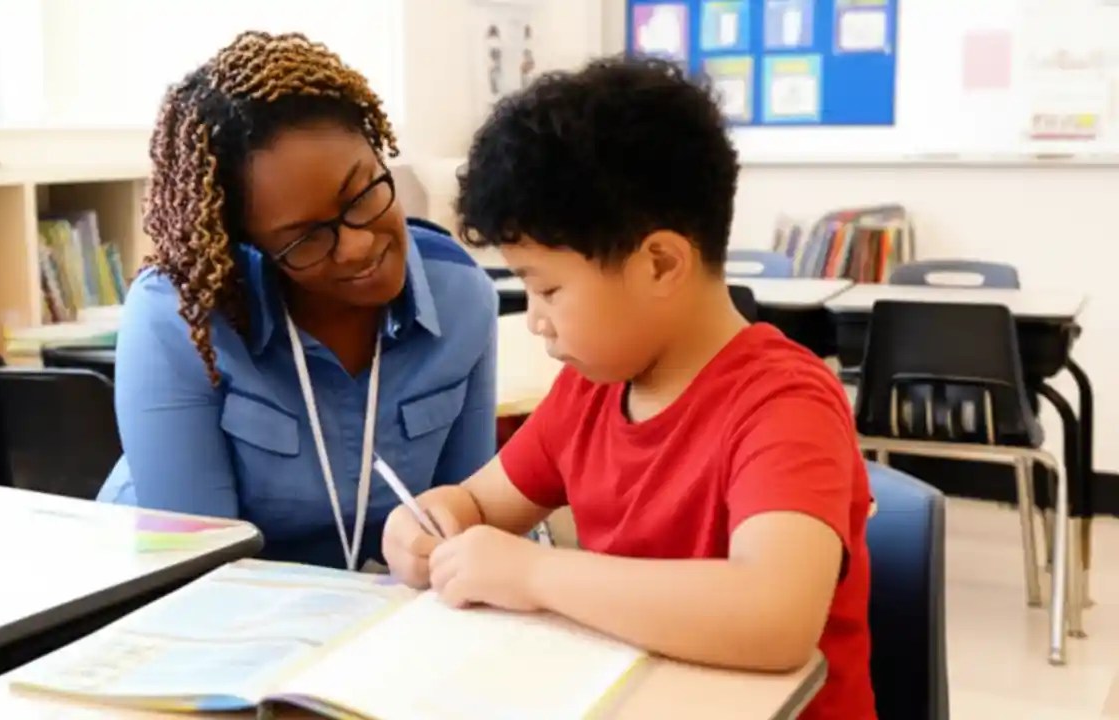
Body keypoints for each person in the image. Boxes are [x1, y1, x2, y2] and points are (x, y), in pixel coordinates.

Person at [383, 57, 875, 719]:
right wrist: (427, 527)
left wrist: (532, 574)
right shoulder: (589, 391)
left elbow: (774, 616)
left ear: (660, 263)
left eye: (548, 288)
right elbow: (477, 504)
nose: (534, 318)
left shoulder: (785, 404)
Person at [98, 31, 498, 572]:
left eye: (363, 193)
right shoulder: (180, 316)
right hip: (193, 606)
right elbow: (199, 573)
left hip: (380, 613)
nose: (358, 245)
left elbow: (470, 516)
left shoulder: (461, 297)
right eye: (306, 237)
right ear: (246, 244)